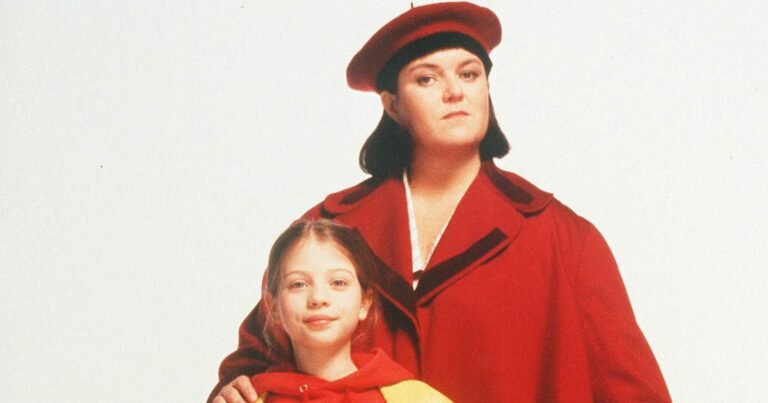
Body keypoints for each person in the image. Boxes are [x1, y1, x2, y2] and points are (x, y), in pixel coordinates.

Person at [210, 2, 672, 402]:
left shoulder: (563, 239)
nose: (455, 92)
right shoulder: (330, 228)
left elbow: (633, 392)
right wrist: (234, 387)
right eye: (427, 78)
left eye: (469, 74)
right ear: (392, 105)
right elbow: (258, 357)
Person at [244, 219, 450, 402]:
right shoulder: (252, 398)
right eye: (298, 284)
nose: (318, 298)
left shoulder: (418, 399)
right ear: (273, 306)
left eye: (338, 282)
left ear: (365, 302)